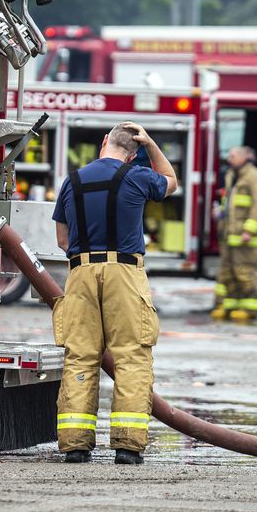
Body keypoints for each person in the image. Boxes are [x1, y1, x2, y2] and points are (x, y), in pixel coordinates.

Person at [51, 121, 177, 465]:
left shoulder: (71, 181)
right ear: (132, 154)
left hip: (80, 273)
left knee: (80, 356)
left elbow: (62, 241)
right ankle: (127, 446)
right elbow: (171, 183)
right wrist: (152, 145)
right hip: (124, 273)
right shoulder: (137, 175)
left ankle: (75, 445)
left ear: (104, 141)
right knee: (131, 357)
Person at [211, 146, 257, 321]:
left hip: (246, 236)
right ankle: (231, 305)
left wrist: (249, 230)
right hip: (230, 234)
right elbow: (230, 204)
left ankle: (249, 307)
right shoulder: (232, 176)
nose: (229, 159)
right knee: (228, 272)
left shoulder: (256, 177)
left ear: (246, 157)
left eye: (233, 156)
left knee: (245, 272)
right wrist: (220, 215)